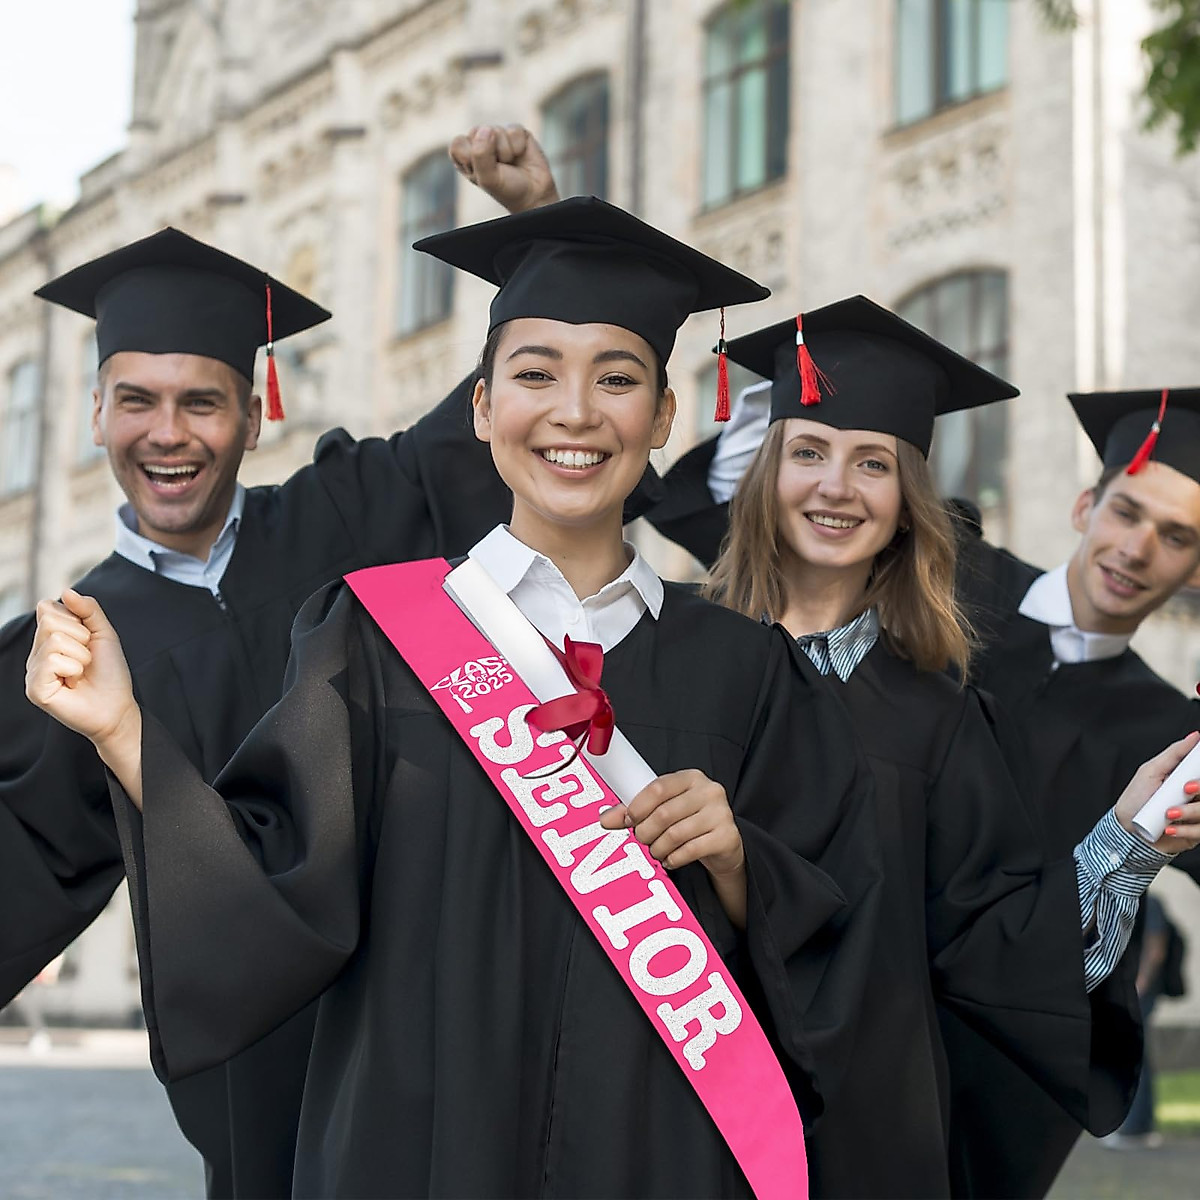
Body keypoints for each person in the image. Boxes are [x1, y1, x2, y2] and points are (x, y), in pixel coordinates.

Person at [27, 197, 882, 1198]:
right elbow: (270, 892)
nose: (574, 411)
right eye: (534, 374)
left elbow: (845, 956)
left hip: (661, 1162)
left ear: (661, 417)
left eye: (617, 378)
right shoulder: (372, 640)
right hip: (420, 1160)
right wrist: (124, 733)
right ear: (480, 409)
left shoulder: (747, 671)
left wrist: (742, 864)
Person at [0, 126, 593, 1198]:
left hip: (423, 1015)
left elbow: (501, 427)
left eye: (202, 399)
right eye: (136, 398)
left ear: (255, 412)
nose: (166, 432)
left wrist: (531, 227)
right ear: (97, 413)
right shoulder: (76, 644)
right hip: (254, 1068)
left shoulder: (347, 515)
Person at [674, 295, 1200, 1197]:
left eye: (872, 462)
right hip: (669, 1101)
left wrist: (1129, 840)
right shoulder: (669, 659)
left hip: (882, 1093)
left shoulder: (969, 716)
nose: (837, 486)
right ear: (1086, 504)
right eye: (808, 451)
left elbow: (991, 937)